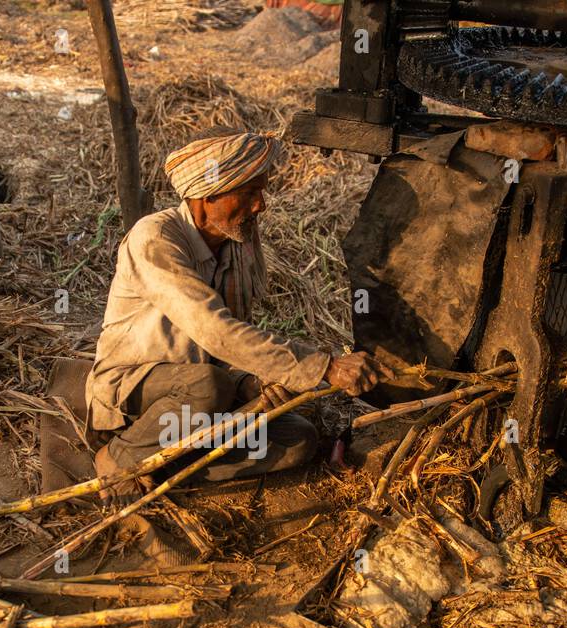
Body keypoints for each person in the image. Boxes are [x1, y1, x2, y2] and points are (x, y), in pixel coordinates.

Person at [86, 128, 384, 502]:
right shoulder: (155, 238)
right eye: (248, 193)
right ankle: (121, 455)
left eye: (261, 192)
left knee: (297, 440)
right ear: (207, 194)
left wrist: (248, 381)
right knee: (209, 386)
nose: (261, 205)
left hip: (197, 406)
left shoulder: (237, 245)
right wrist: (323, 367)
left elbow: (228, 345)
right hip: (134, 394)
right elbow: (216, 331)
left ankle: (164, 463)